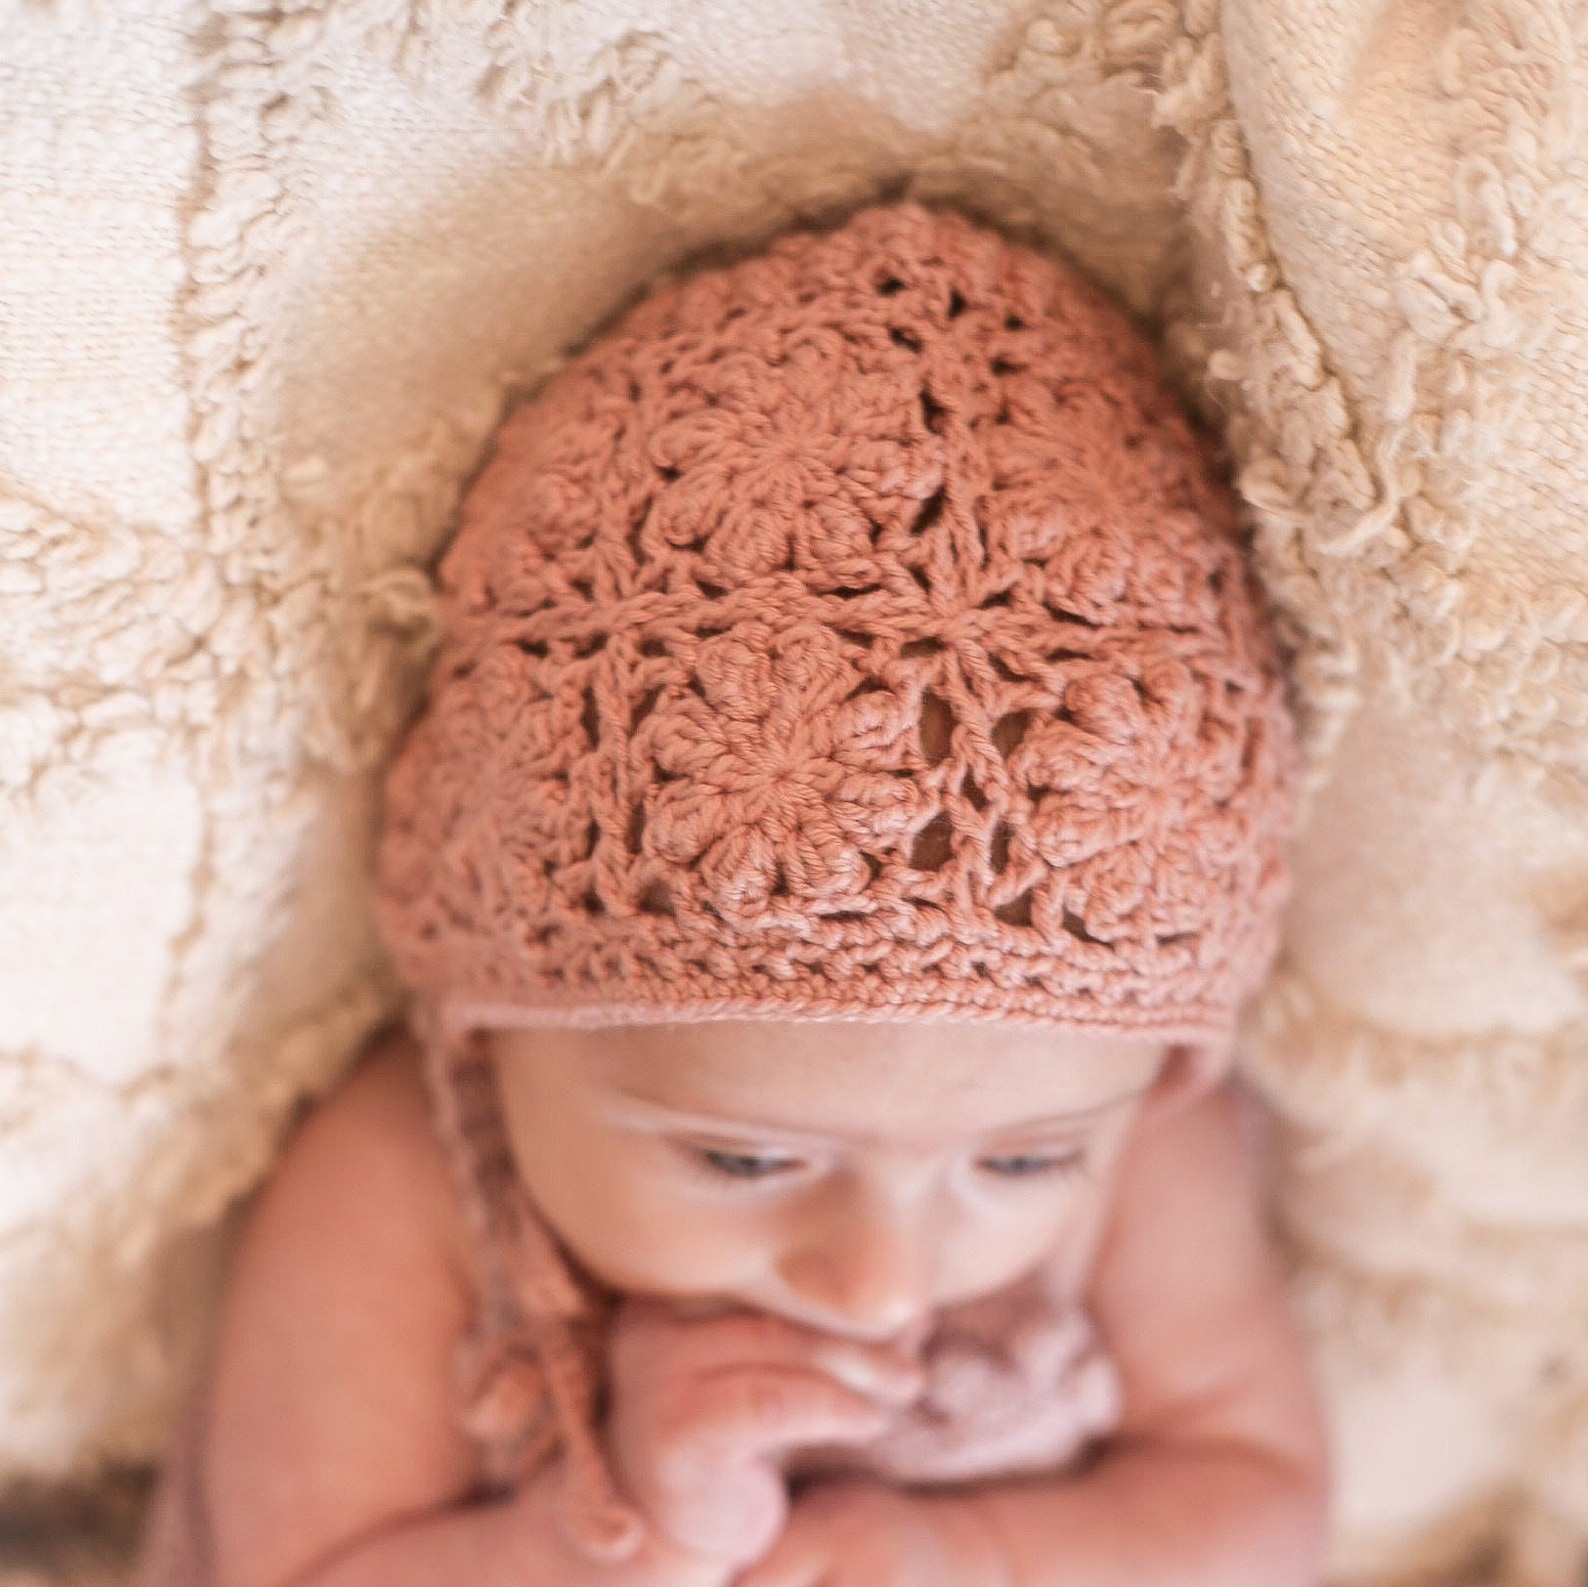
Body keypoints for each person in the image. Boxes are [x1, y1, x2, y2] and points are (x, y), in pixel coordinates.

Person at [135, 199, 1329, 1587]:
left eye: (1020, 1165)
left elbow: (1262, 1511)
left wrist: (978, 1555)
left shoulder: (1133, 1137)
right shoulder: (407, 1188)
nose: (882, 1279)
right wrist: (633, 1538)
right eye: (745, 1159)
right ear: (496, 1007)